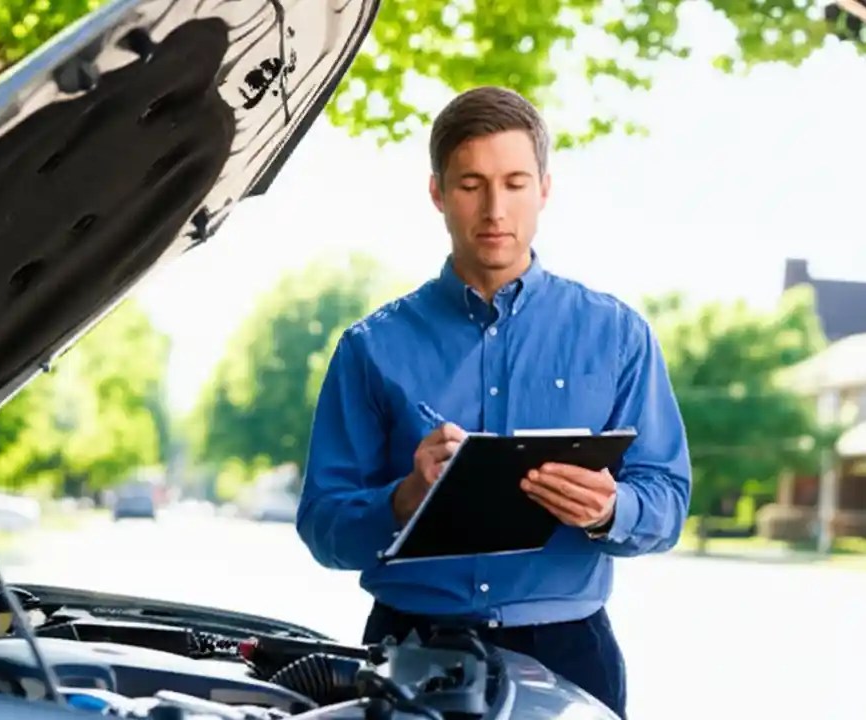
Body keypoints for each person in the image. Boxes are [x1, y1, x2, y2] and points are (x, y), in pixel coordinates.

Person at [295, 86, 691, 719]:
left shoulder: (617, 335)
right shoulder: (371, 348)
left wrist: (610, 508)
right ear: (437, 194)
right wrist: (403, 499)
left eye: (514, 182)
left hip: (571, 652)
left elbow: (668, 500)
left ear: (544, 189)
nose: (494, 209)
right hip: (408, 648)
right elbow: (323, 525)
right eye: (470, 184)